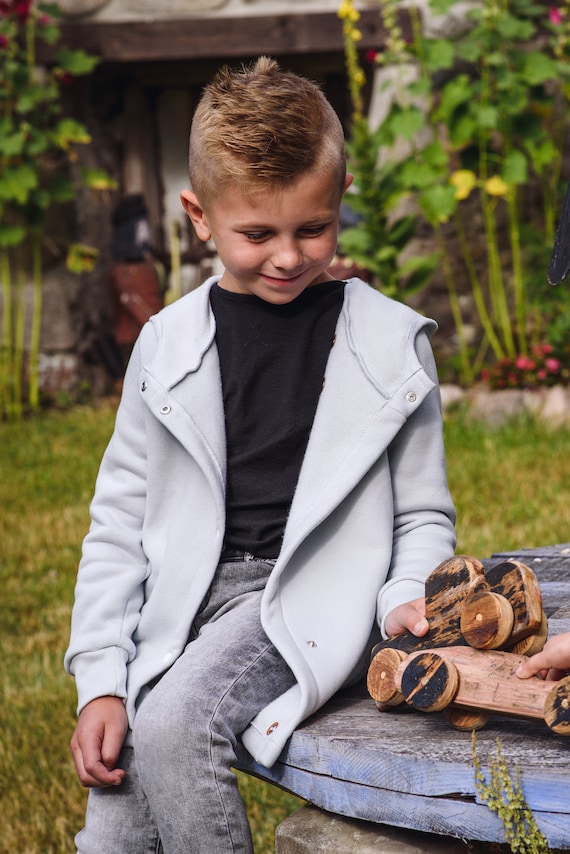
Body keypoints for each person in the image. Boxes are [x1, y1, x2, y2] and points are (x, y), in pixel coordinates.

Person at [64, 56, 457, 854]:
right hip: (186, 600)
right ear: (198, 217)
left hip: (308, 593)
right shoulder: (165, 346)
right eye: (257, 233)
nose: (287, 256)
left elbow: (421, 511)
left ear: (339, 201)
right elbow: (118, 524)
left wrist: (404, 597)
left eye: (311, 227)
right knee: (113, 826)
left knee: (174, 727)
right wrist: (101, 681)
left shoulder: (389, 344)